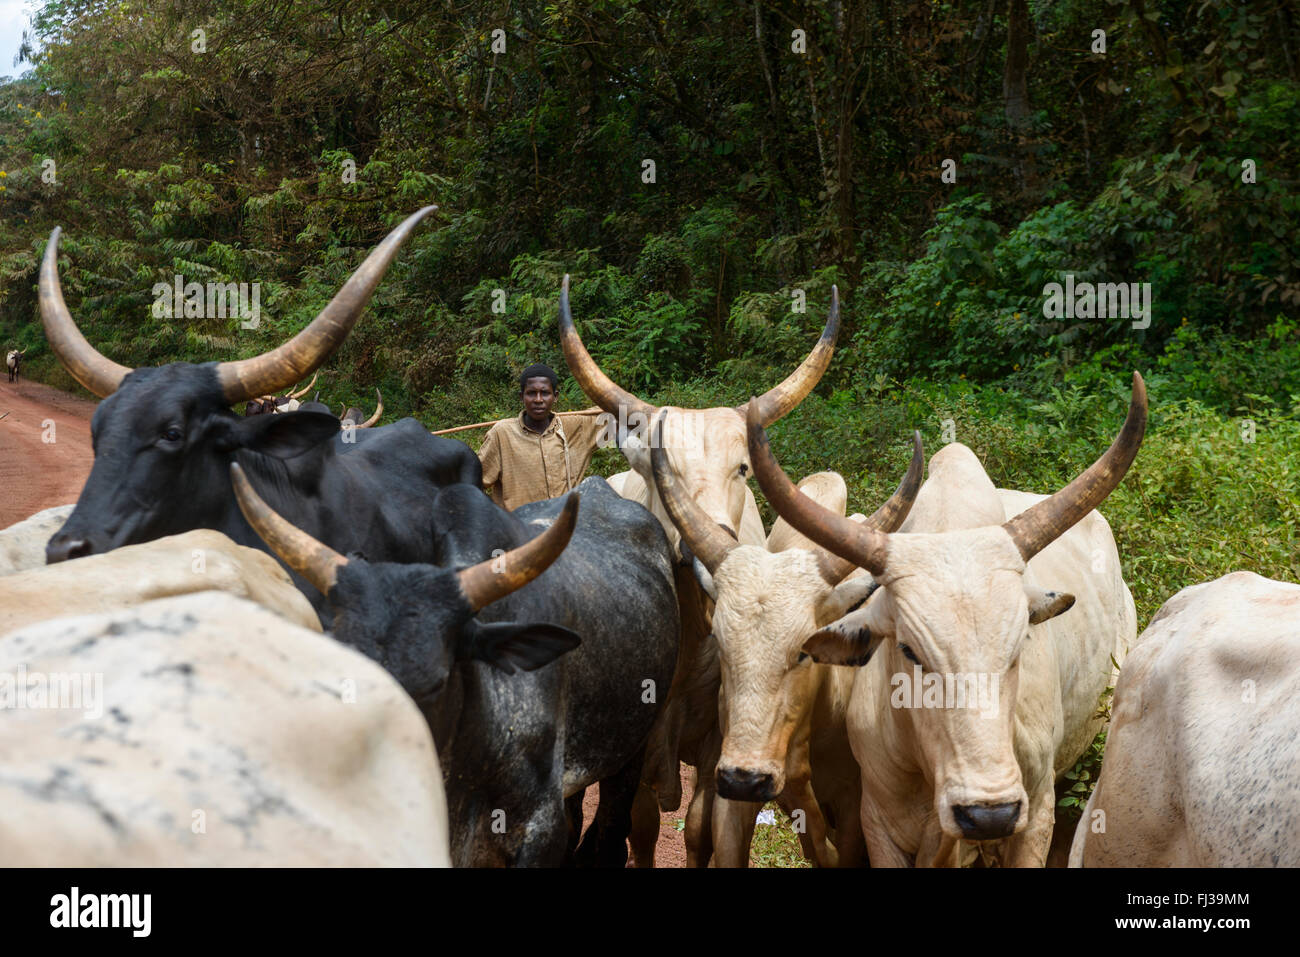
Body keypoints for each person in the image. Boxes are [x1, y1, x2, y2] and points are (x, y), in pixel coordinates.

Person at [477, 363, 605, 511]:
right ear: (521, 396)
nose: (538, 399)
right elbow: (473, 482)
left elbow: (620, 412)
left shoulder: (577, 427)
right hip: (519, 529)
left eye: (545, 393)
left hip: (565, 528)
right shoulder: (502, 433)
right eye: (531, 393)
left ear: (555, 396)